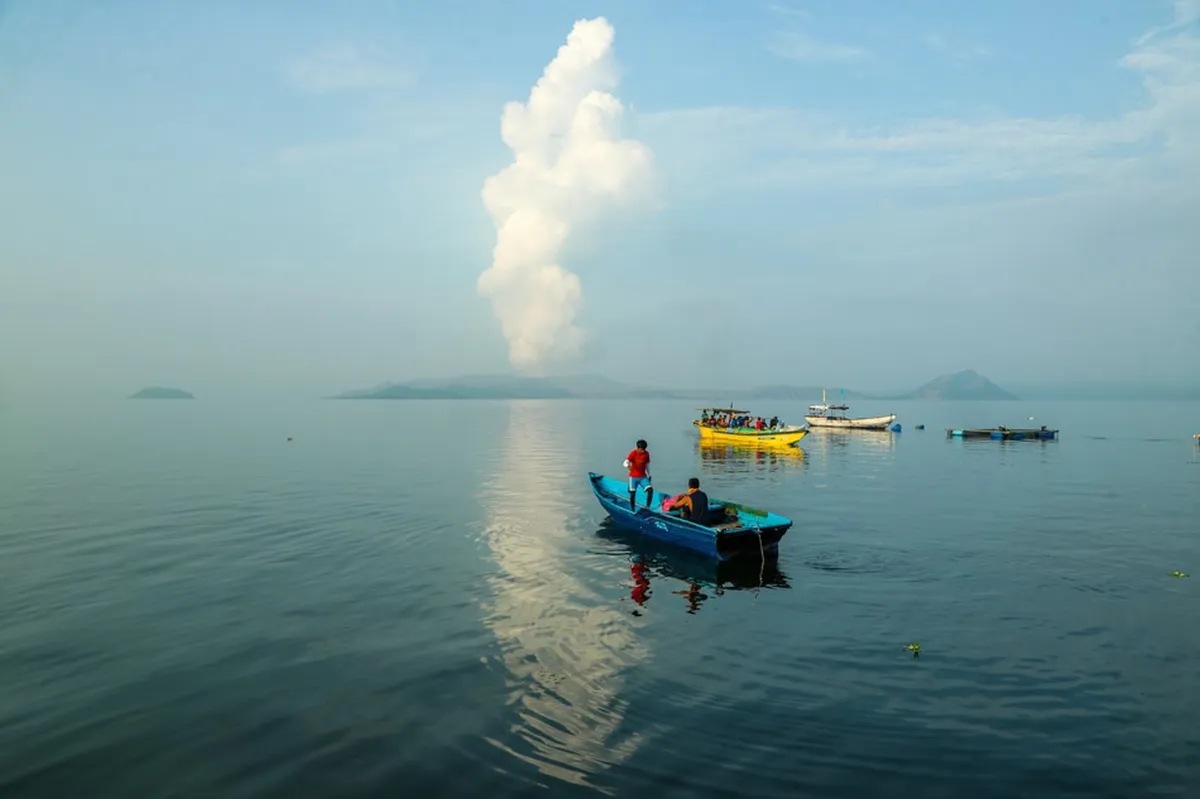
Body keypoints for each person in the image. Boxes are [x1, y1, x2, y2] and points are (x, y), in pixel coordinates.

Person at [624, 439, 652, 510]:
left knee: (650, 490)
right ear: (638, 448)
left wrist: (649, 475)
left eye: (644, 449)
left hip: (643, 477)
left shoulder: (646, 454)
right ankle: (632, 509)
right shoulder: (633, 453)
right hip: (633, 477)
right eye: (642, 449)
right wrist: (628, 466)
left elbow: (647, 465)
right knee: (633, 494)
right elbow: (625, 462)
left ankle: (648, 507)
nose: (643, 451)